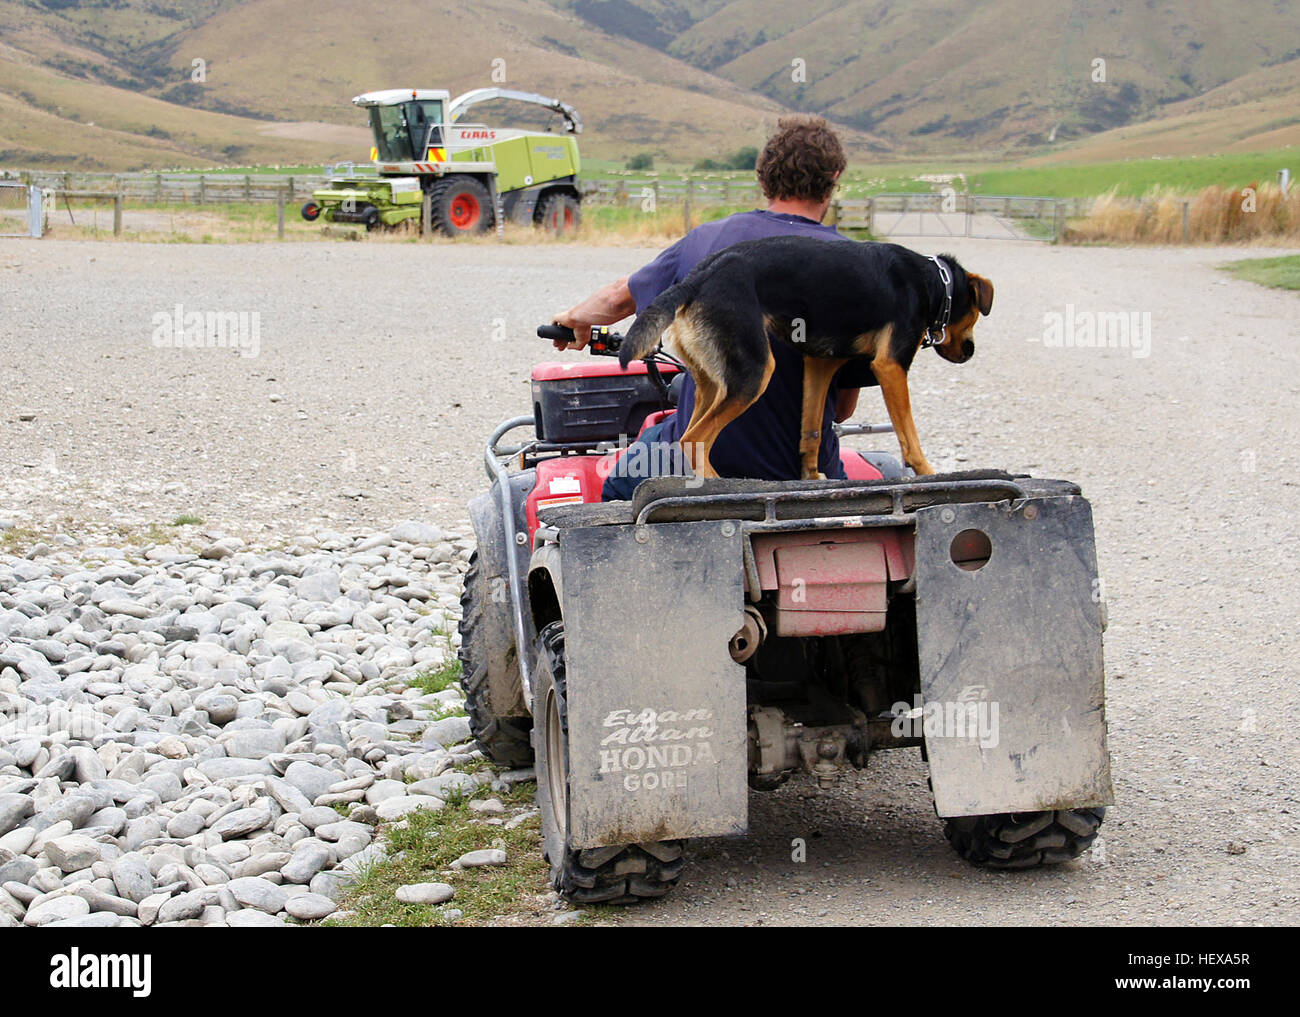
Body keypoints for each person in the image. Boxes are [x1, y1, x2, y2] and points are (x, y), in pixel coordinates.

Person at [552, 115, 876, 500]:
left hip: (696, 463)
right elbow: (841, 409)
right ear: (835, 176)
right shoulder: (857, 267)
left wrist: (575, 319)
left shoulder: (709, 239)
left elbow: (620, 296)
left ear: (763, 177)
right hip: (801, 473)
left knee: (618, 486)